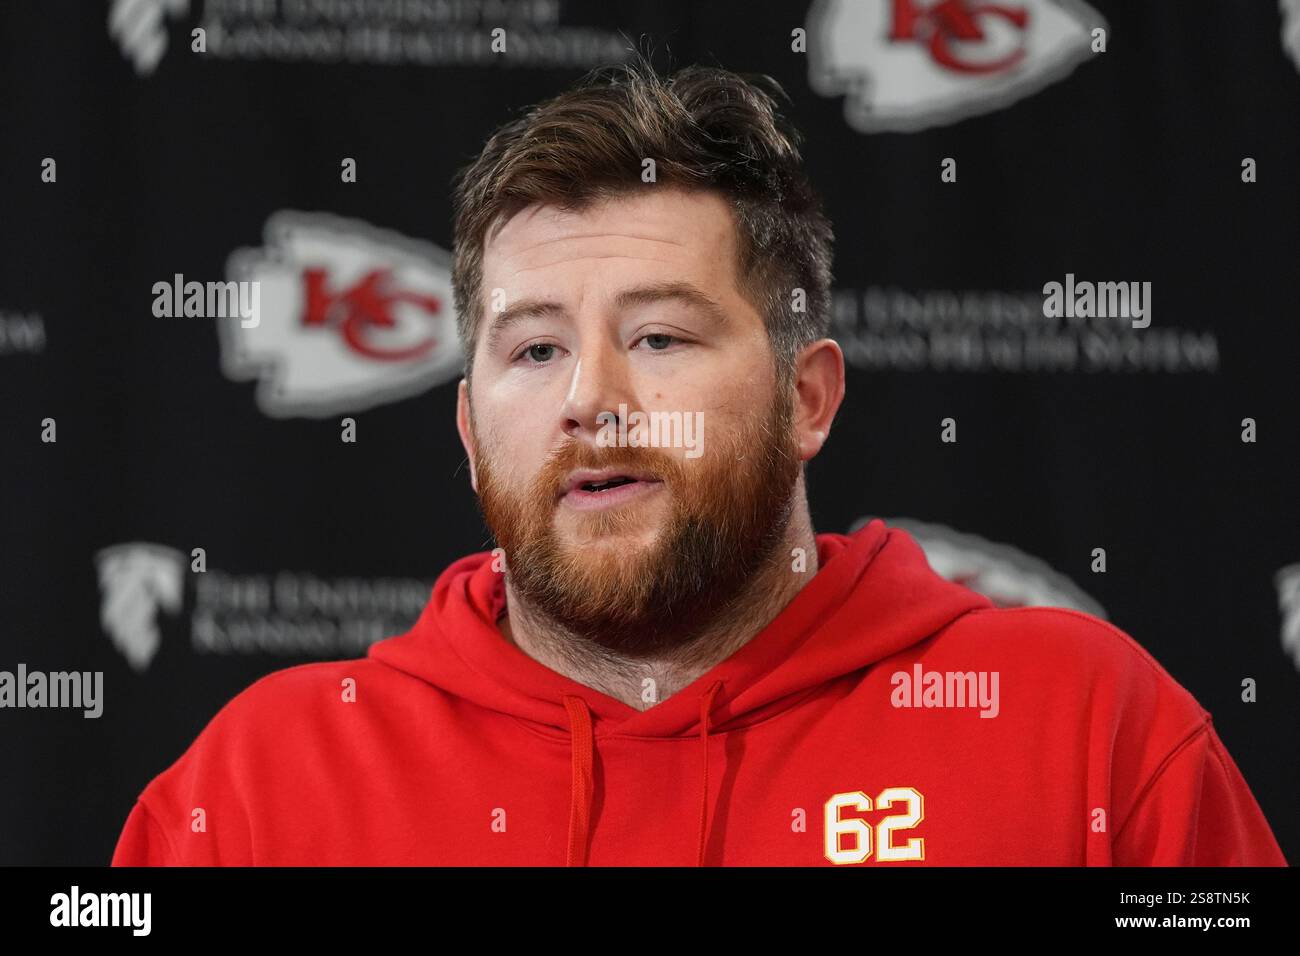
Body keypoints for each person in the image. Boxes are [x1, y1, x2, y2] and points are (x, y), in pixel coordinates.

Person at [111, 55, 1287, 867]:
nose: (592, 402)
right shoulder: (264, 783)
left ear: (807, 395)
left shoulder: (1081, 724)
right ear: (471, 429)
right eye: (534, 349)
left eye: (659, 336)